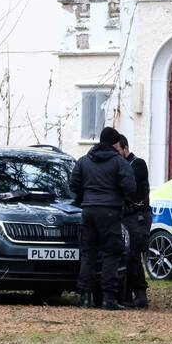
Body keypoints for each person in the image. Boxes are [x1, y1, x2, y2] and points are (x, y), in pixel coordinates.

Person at [70, 127, 136, 310]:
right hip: (110, 212)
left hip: (88, 211)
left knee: (88, 254)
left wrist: (86, 198)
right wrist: (121, 198)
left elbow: (73, 184)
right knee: (111, 254)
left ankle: (85, 297)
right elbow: (130, 187)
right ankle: (108, 298)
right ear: (115, 143)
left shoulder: (84, 161)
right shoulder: (119, 162)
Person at [114, 133, 152, 309]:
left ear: (125, 148)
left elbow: (128, 184)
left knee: (134, 255)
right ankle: (128, 293)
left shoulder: (138, 164)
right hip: (127, 215)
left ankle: (139, 293)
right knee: (126, 255)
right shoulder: (122, 164)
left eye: (116, 150)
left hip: (138, 215)